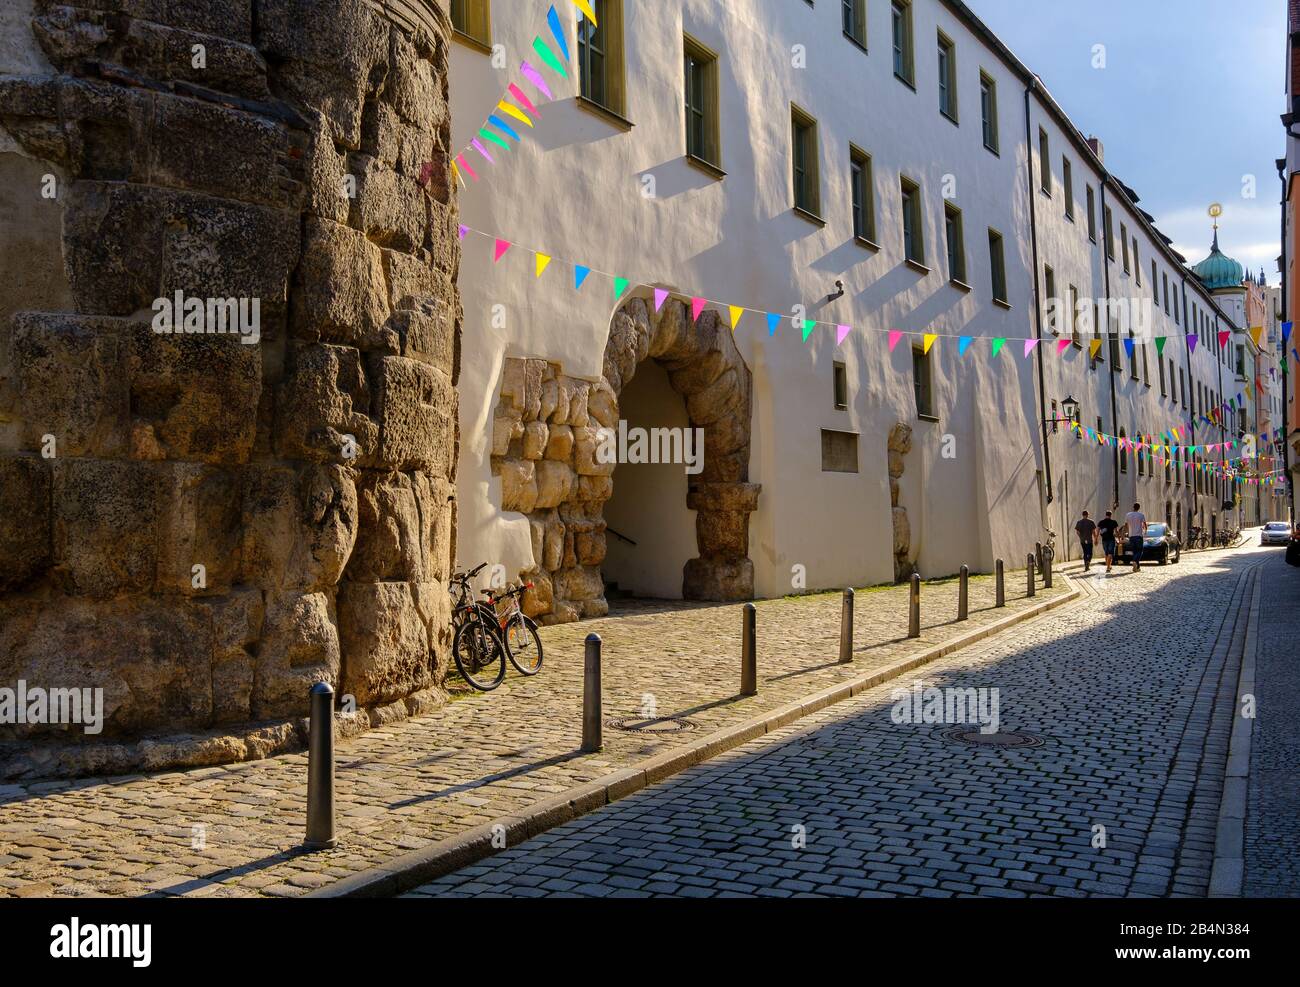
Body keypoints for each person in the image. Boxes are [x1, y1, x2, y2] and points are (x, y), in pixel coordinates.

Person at [1124, 502, 1148, 572]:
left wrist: (1123, 534)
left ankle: (1137, 567)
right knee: (1140, 550)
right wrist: (1145, 531)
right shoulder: (1141, 515)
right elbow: (1145, 525)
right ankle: (1135, 561)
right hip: (1139, 535)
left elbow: (1125, 525)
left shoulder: (1128, 515)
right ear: (1139, 508)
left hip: (1131, 536)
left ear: (1133, 507)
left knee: (1134, 551)